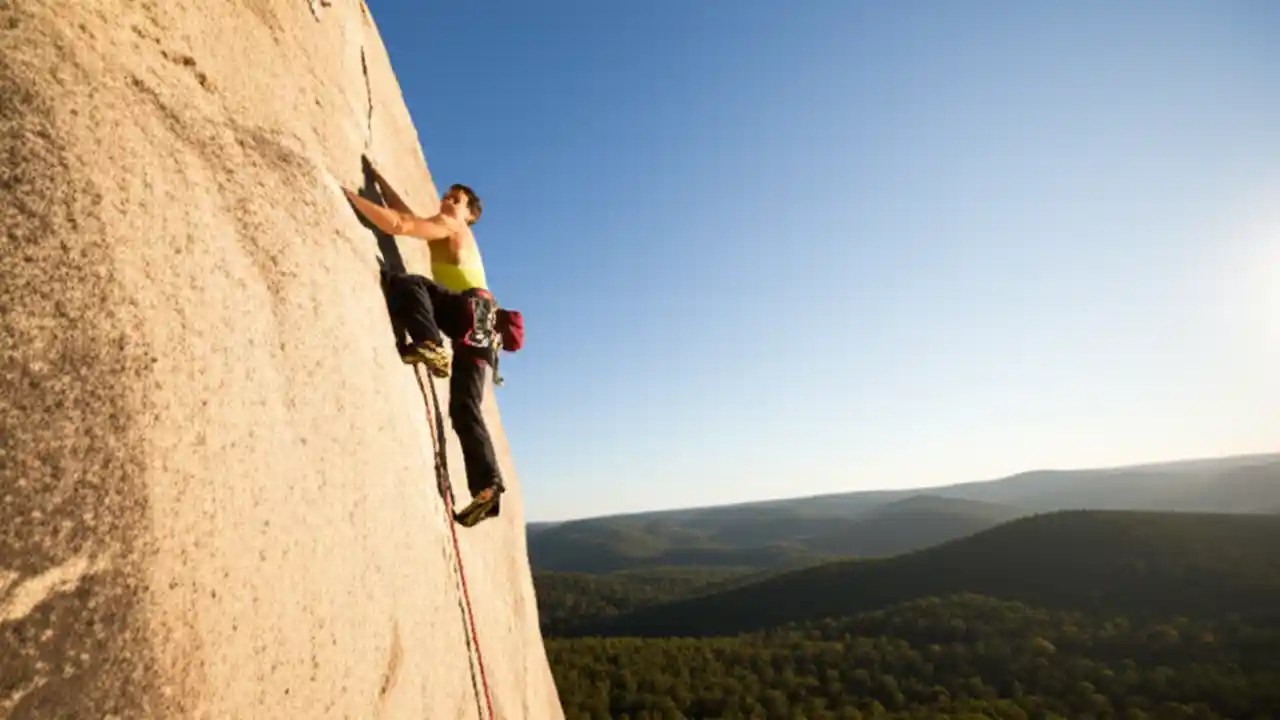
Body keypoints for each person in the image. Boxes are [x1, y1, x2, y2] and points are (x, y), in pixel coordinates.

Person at [343, 166, 505, 527]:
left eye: (457, 199)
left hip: (468, 311)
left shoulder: (453, 227)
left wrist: (350, 197)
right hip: (483, 330)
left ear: (470, 215)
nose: (448, 199)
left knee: (407, 284)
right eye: (447, 195)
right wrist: (381, 181)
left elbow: (400, 226)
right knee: (465, 410)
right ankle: (488, 489)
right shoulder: (446, 231)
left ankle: (430, 343)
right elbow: (412, 218)